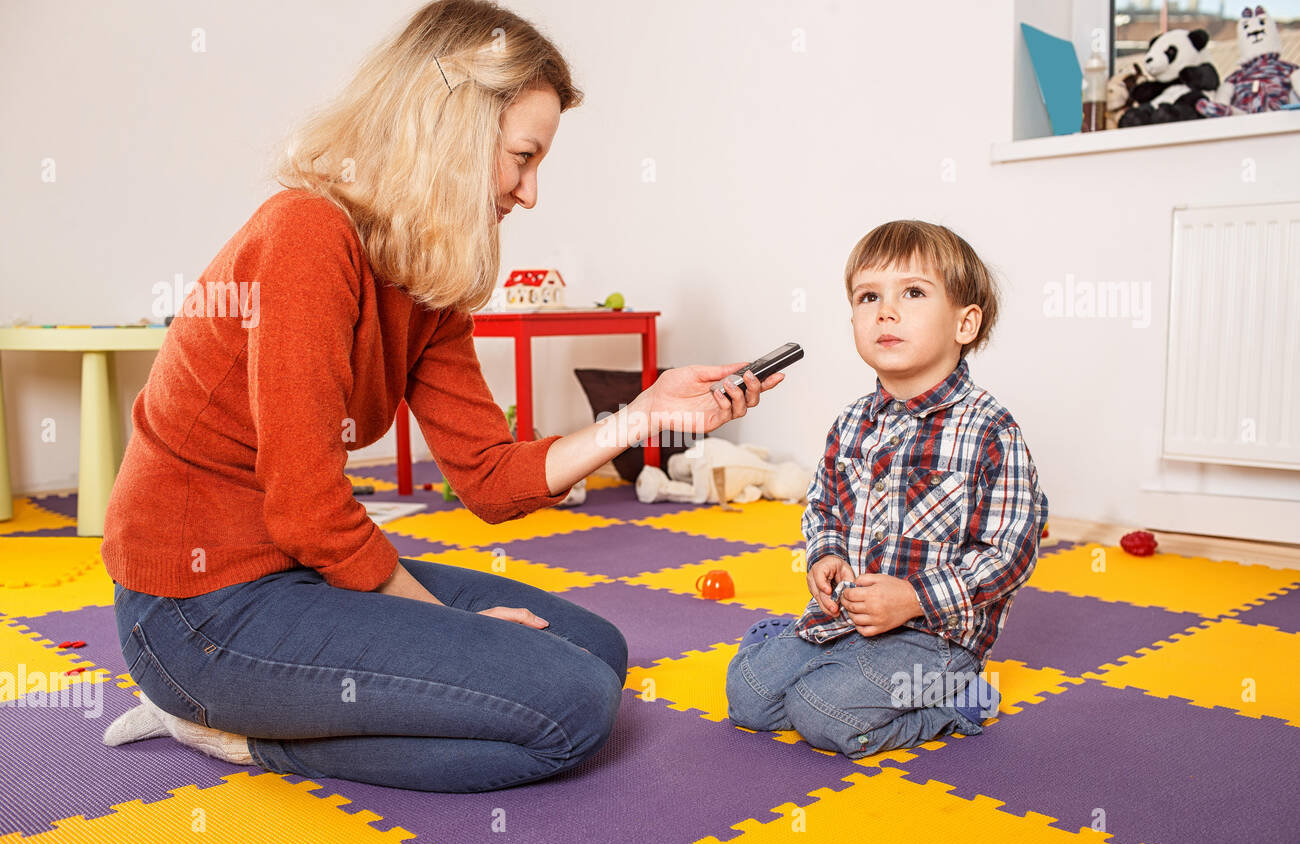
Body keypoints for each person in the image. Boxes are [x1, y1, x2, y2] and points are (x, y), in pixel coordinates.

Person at [100, 0, 783, 793]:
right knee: (571, 707)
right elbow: (305, 506)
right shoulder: (308, 235)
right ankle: (227, 731)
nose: (530, 194)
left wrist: (644, 414)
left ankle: (286, 710)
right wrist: (441, 621)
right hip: (197, 613)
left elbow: (489, 478)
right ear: (452, 129)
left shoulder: (429, 278)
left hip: (300, 574)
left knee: (595, 651)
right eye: (523, 158)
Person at [725, 220, 1048, 759]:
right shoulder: (852, 421)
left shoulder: (991, 429)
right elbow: (823, 506)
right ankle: (812, 653)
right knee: (747, 698)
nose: (885, 311)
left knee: (825, 713)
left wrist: (913, 598)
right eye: (868, 295)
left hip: (934, 640)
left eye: (913, 293)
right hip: (845, 619)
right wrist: (824, 554)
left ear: (965, 323)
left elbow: (1011, 555)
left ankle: (959, 699)